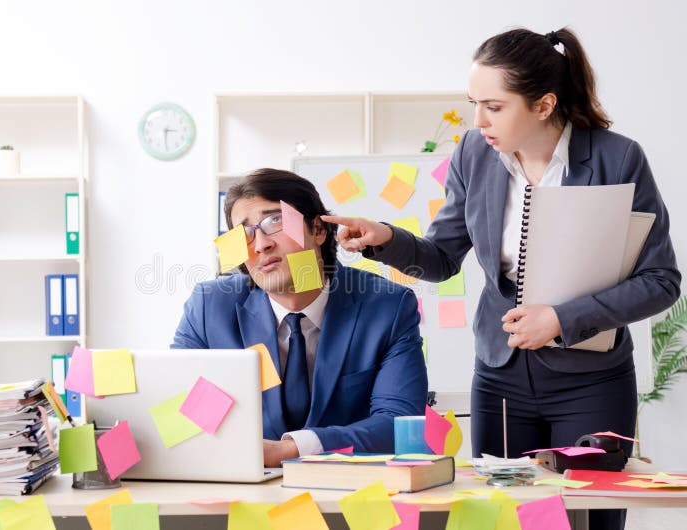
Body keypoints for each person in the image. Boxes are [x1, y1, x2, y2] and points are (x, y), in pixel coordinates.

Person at [322, 28, 680, 530]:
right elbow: (443, 257)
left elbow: (660, 280)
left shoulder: (617, 159)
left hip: (591, 382)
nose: (478, 121)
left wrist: (560, 318)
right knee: (500, 519)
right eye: (474, 104)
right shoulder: (473, 153)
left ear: (542, 104)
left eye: (493, 106)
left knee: (589, 521)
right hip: (499, 376)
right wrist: (385, 238)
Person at [172, 168, 428, 467]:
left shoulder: (387, 307)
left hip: (350, 495)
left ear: (318, 230)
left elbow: (398, 426)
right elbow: (181, 408)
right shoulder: (209, 306)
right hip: (243, 495)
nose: (260, 244)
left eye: (275, 221)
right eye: (243, 235)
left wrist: (291, 449)